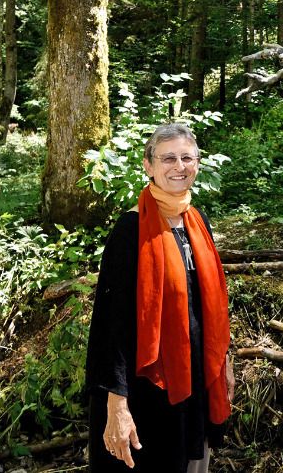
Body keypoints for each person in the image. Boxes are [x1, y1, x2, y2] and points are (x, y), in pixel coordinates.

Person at [86, 123, 234, 472]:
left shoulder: (198, 222)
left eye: (187, 157)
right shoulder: (130, 231)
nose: (178, 167)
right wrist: (117, 405)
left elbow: (209, 306)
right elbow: (112, 326)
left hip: (193, 386)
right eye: (168, 158)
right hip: (145, 393)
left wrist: (224, 360)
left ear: (198, 163)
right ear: (148, 166)